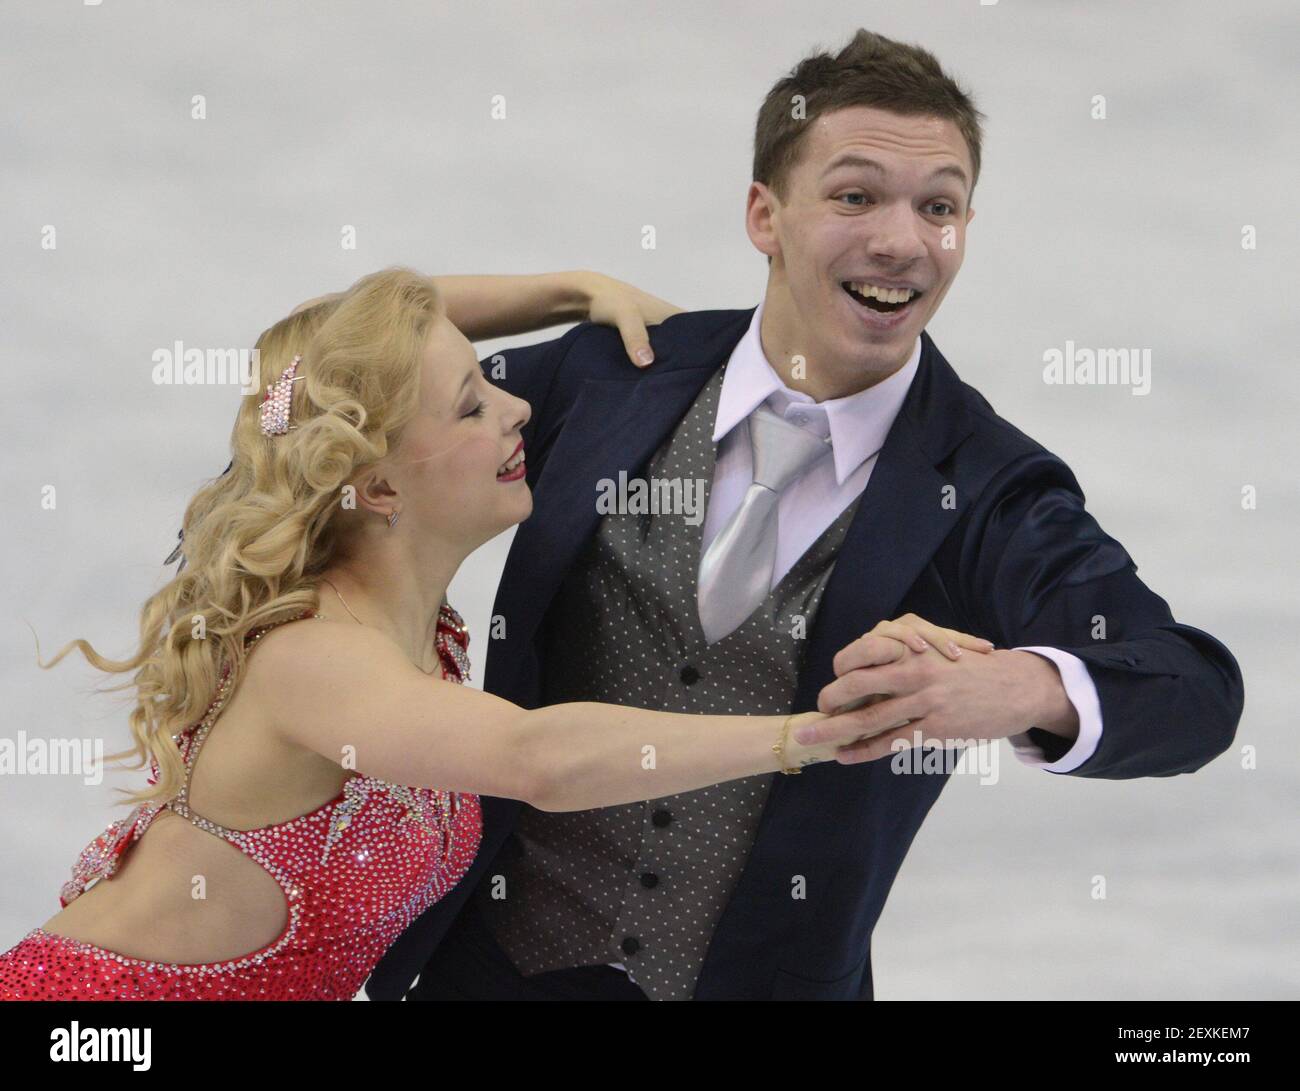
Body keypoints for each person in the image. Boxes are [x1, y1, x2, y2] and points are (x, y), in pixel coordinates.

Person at [367, 30, 1245, 1002]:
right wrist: (563, 290)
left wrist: (1022, 684)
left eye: (939, 205)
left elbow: (1194, 690)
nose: (902, 241)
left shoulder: (988, 487)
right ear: (764, 214)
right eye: (856, 194)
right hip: (488, 973)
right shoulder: (613, 372)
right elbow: (320, 371)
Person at [0, 266, 989, 1001]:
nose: (520, 407)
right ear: (378, 483)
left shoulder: (400, 613)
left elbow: (342, 348)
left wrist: (569, 287)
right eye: (473, 403)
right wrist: (799, 734)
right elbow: (534, 754)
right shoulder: (316, 658)